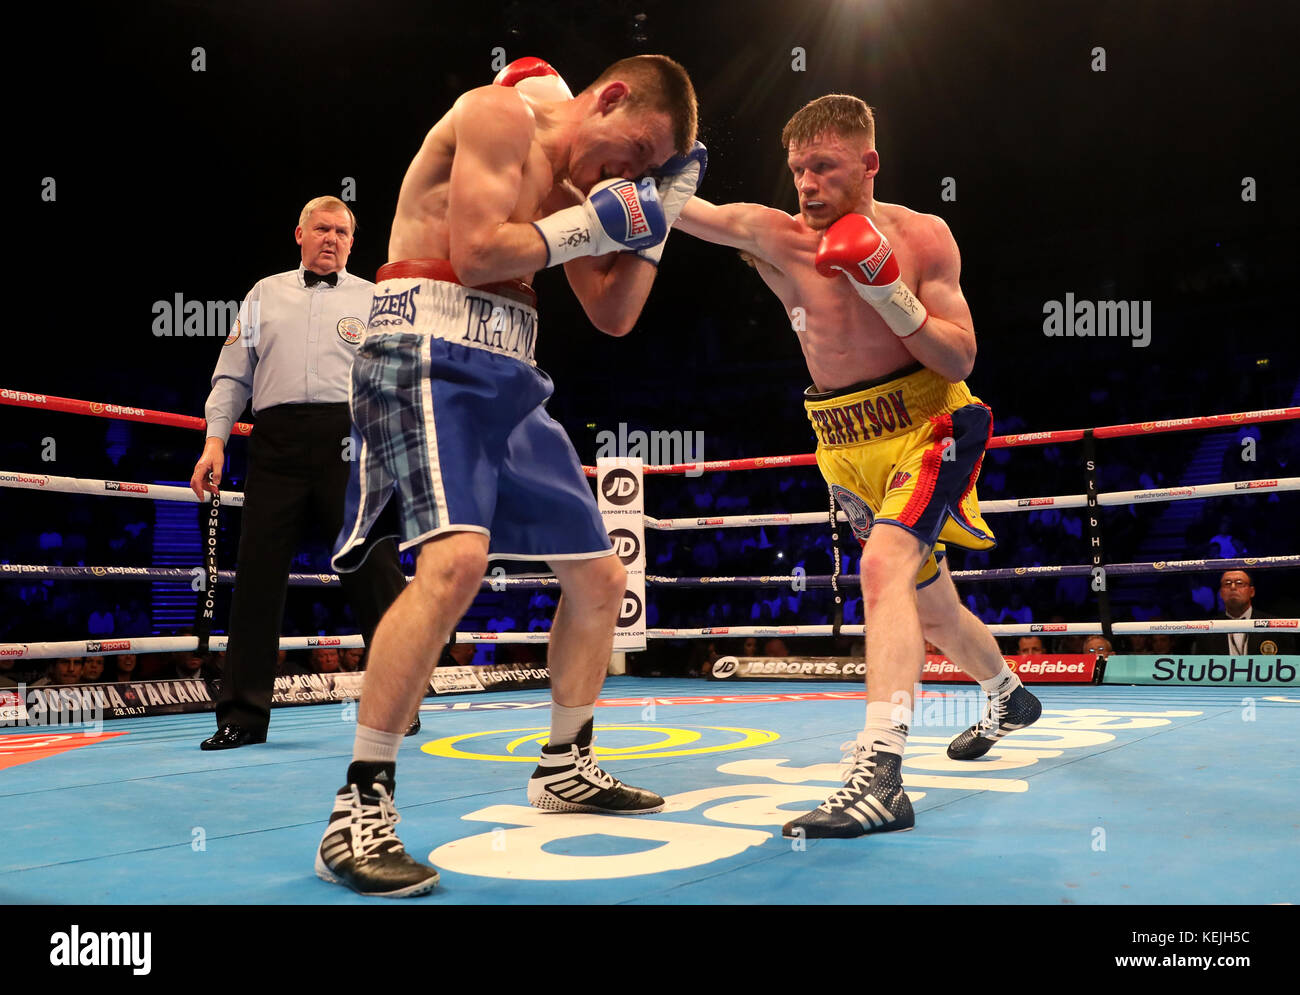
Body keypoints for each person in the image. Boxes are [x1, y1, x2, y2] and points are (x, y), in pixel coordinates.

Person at [314, 55, 701, 897]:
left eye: (646, 171)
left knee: (600, 576)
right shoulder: (494, 115)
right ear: (610, 96)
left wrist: (657, 217)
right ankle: (358, 807)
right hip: (425, 346)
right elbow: (482, 250)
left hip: (512, 370)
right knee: (454, 563)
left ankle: (565, 763)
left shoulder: (576, 194)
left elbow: (614, 313)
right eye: (635, 153)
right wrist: (601, 222)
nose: (629, 175)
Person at [676, 93, 1040, 839]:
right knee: (930, 606)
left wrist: (889, 291)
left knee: (882, 570)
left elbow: (961, 353)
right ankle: (1007, 691)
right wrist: (579, 158)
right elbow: (681, 210)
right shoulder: (775, 236)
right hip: (843, 444)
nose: (807, 184)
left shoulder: (921, 235)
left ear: (869, 164)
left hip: (930, 424)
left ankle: (880, 775)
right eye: (798, 170)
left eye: (825, 168)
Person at [191, 197, 409, 751]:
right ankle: (241, 716)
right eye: (321, 229)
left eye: (341, 231)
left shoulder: (376, 298)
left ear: (352, 242)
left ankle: (397, 705)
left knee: (376, 570)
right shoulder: (264, 293)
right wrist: (215, 442)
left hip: (352, 438)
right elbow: (232, 376)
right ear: (299, 234)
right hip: (277, 441)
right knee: (258, 576)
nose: (331, 239)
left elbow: (398, 381)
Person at [1193, 570, 1297, 656]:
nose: (1233, 587)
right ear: (1221, 593)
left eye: (1239, 583)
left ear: (1252, 591)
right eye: (1227, 583)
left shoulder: (1275, 627)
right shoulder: (1207, 630)